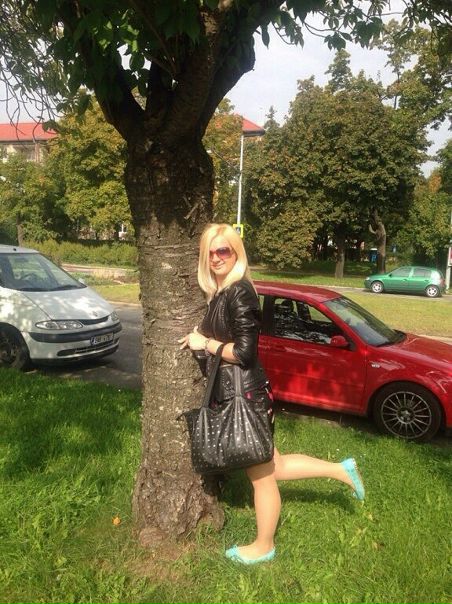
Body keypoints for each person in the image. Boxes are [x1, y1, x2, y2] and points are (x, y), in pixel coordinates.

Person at [179, 223, 365, 565]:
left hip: (245, 395)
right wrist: (201, 338)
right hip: (242, 392)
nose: (216, 257)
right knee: (273, 465)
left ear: (236, 253)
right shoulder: (221, 292)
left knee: (262, 476)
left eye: (224, 250)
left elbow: (244, 352)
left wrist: (205, 343)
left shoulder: (239, 292)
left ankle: (264, 545)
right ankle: (341, 470)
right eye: (210, 251)